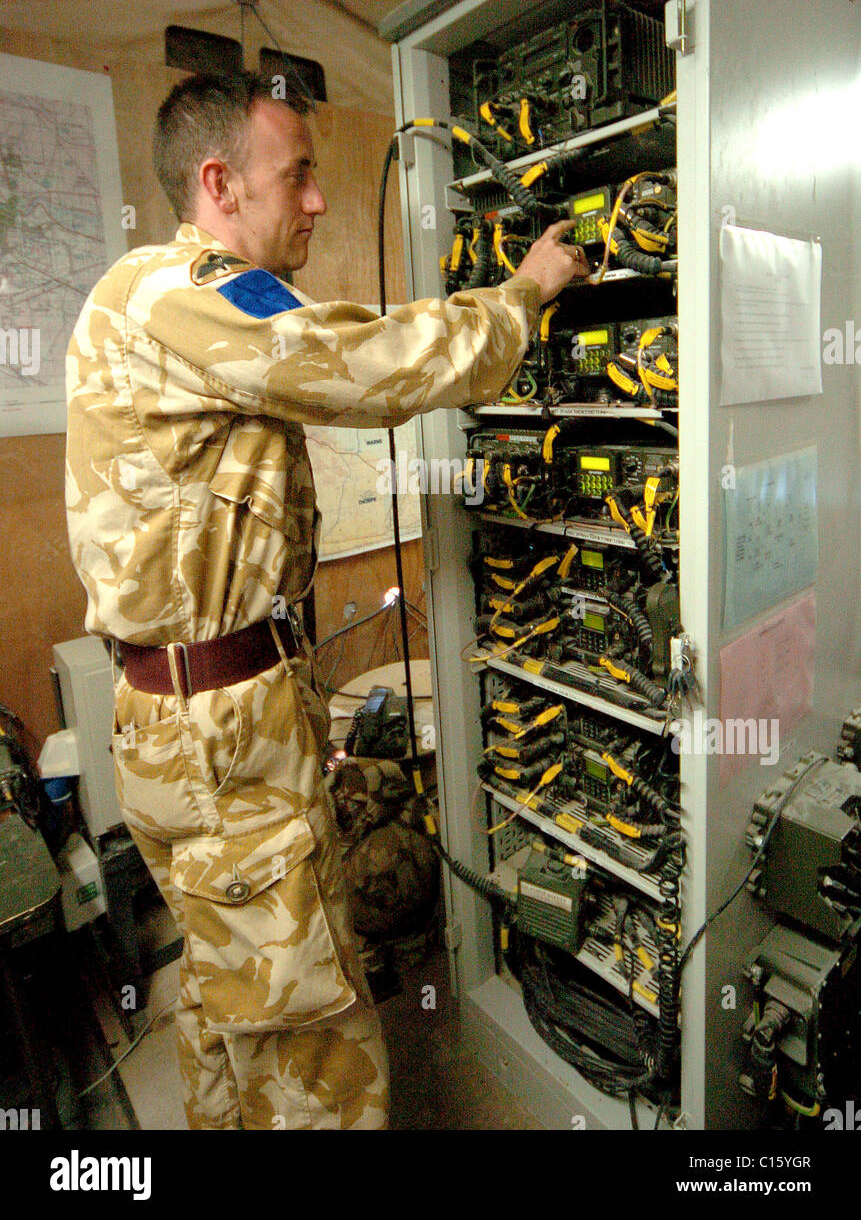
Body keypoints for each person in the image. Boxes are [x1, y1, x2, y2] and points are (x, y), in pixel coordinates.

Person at [64, 71, 588, 1131]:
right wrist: (523, 293)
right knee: (319, 1044)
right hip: (219, 741)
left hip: (206, 721)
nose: (316, 201)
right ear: (219, 182)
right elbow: (368, 362)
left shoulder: (158, 296)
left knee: (231, 1002)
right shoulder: (185, 295)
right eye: (296, 175)